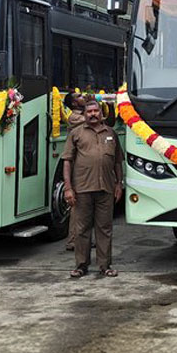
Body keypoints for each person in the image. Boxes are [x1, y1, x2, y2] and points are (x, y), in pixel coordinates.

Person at [62, 98, 123, 278]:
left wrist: (119, 184)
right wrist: (68, 188)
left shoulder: (110, 133)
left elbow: (118, 162)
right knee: (82, 229)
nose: (93, 114)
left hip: (106, 189)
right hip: (82, 189)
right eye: (89, 112)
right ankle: (81, 265)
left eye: (96, 111)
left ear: (101, 113)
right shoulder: (76, 134)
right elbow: (67, 161)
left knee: (104, 228)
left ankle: (105, 266)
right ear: (85, 115)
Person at [62, 93, 87, 251]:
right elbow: (93, 119)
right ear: (74, 103)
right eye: (79, 96)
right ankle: (72, 240)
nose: (83, 96)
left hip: (85, 166)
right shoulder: (74, 117)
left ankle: (83, 238)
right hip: (78, 165)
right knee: (77, 206)